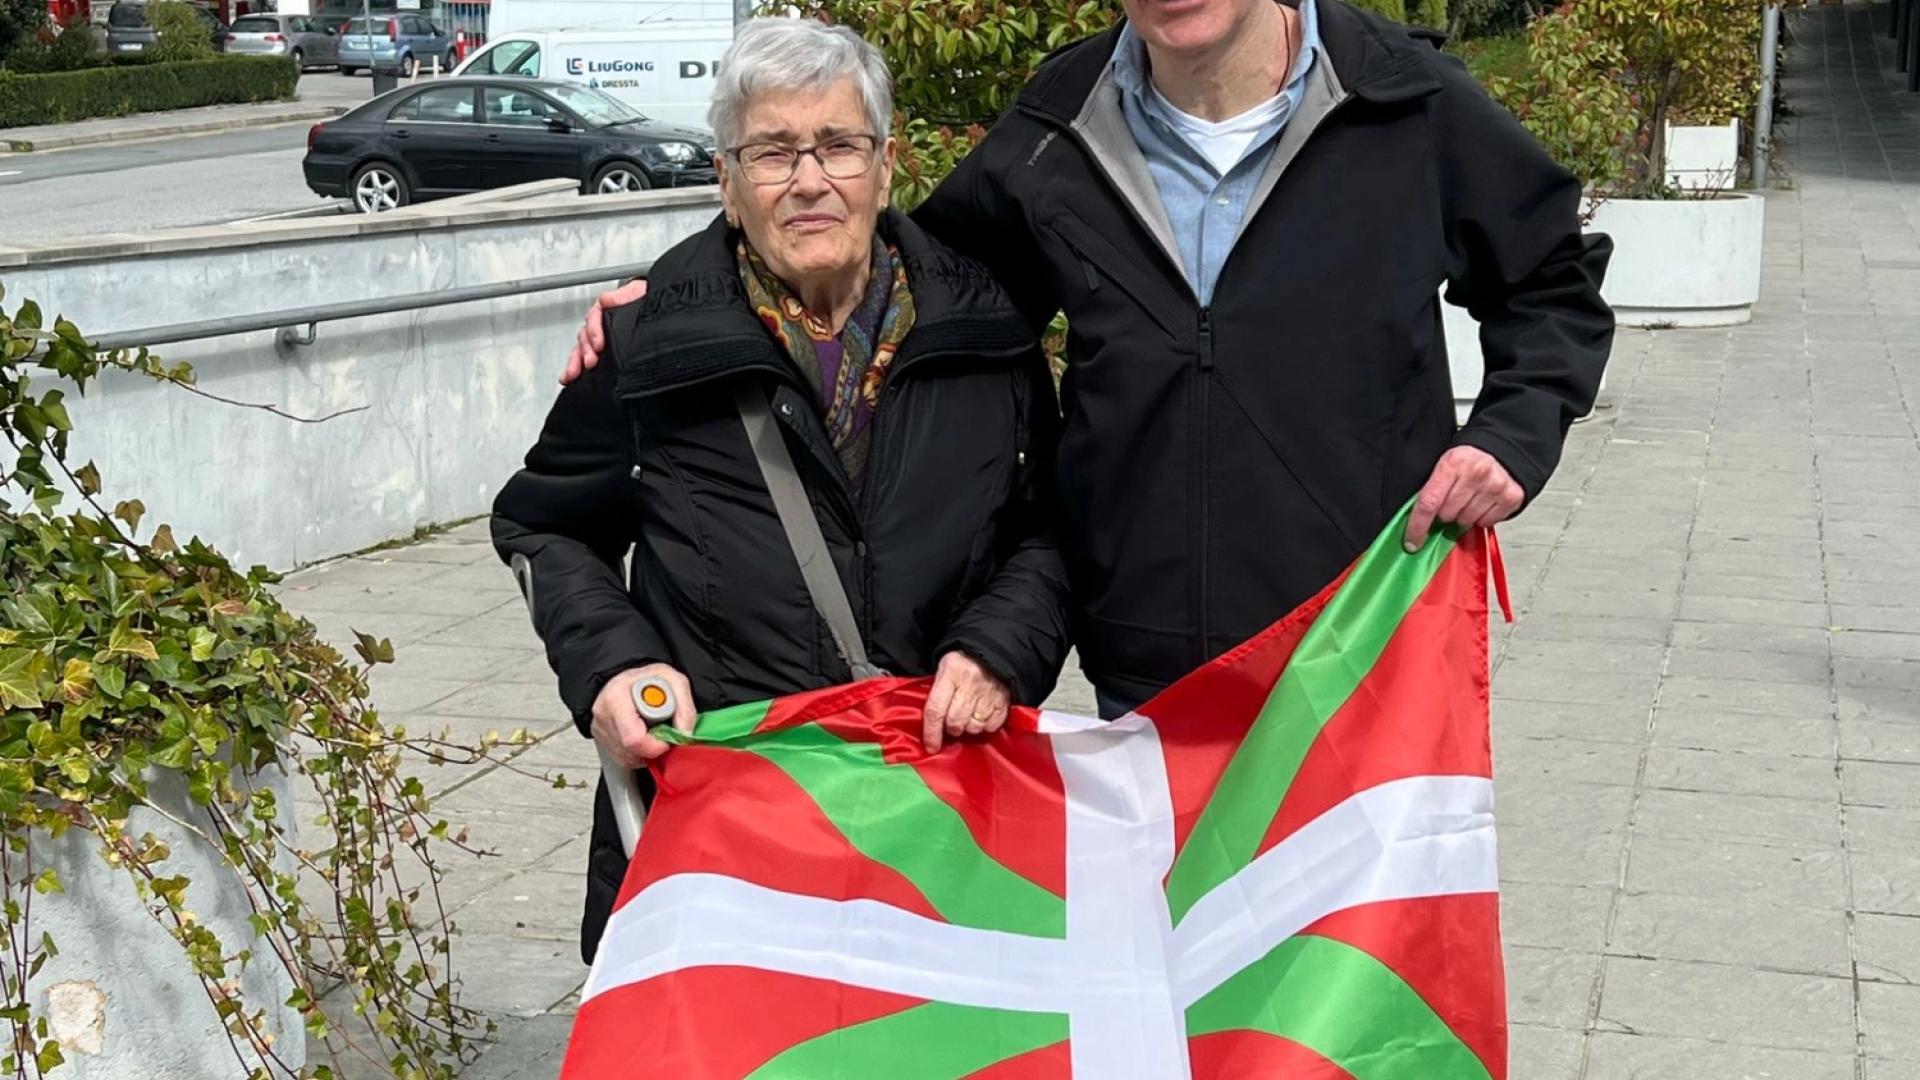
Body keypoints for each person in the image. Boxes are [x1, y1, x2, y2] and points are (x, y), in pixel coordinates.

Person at [561, 0, 1615, 720]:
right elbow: (909, 268)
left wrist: (1513, 435)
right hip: (1151, 673)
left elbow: (1550, 281)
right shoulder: (1058, 127)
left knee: (1354, 982)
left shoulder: (1408, 104)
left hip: (1367, 645)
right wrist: (682, 301)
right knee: (1171, 972)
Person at [493, 17, 1071, 960]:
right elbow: (544, 526)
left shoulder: (986, 337)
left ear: (885, 165)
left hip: (941, 822)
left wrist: (998, 651)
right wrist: (612, 667)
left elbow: (1049, 527)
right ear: (727, 183)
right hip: (723, 833)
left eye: (838, 145)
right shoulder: (648, 349)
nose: (809, 180)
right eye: (772, 152)